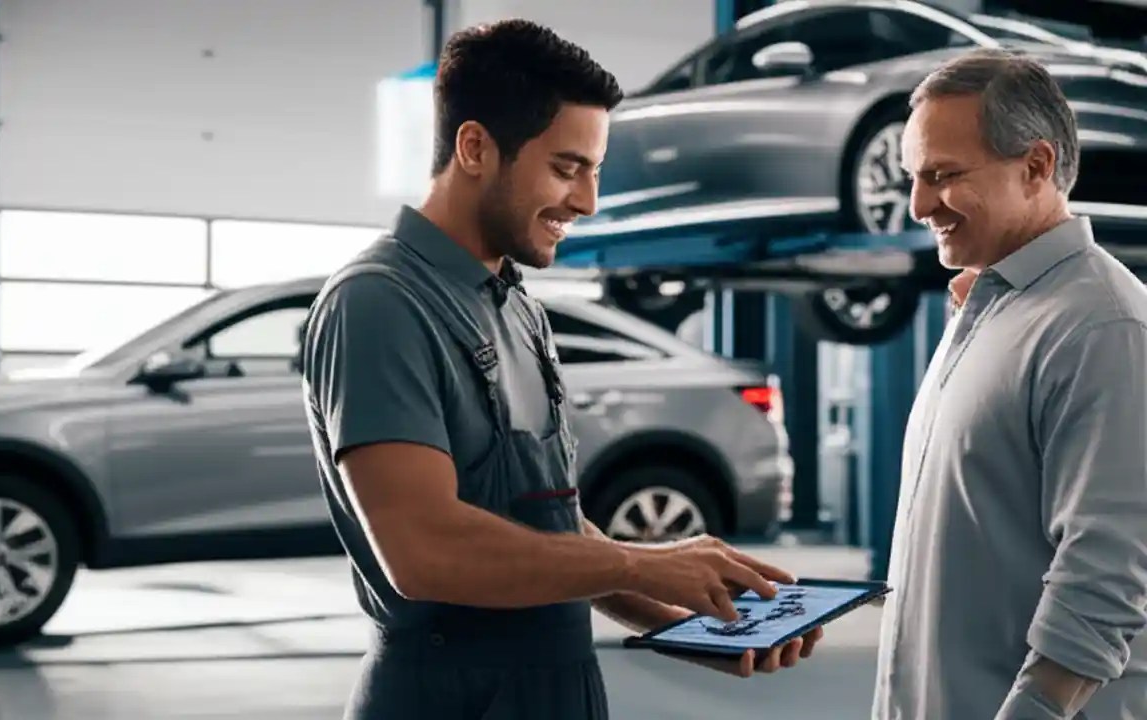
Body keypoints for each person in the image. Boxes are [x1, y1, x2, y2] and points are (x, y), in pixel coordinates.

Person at [300, 19, 821, 720]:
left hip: (554, 690)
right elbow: (424, 550)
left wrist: (681, 623)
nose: (587, 202)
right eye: (567, 168)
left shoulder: (517, 307)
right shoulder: (378, 304)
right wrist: (648, 564)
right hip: (446, 699)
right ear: (476, 147)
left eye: (595, 171)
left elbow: (552, 527)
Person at [873, 48, 1147, 719]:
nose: (916, 205)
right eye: (914, 177)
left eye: (942, 176)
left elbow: (1105, 577)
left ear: (1036, 168)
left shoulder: (1104, 328)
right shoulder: (988, 308)